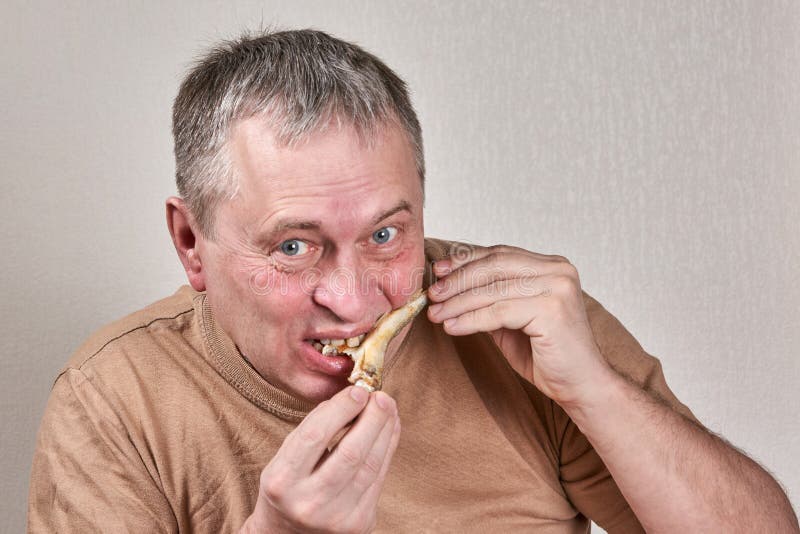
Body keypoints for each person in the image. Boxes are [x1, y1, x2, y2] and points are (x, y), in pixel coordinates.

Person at [28, 29, 798, 533]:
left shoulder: (521, 327)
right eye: (294, 248)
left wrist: (594, 391)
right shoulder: (113, 401)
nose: (356, 299)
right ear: (191, 243)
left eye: (386, 235)